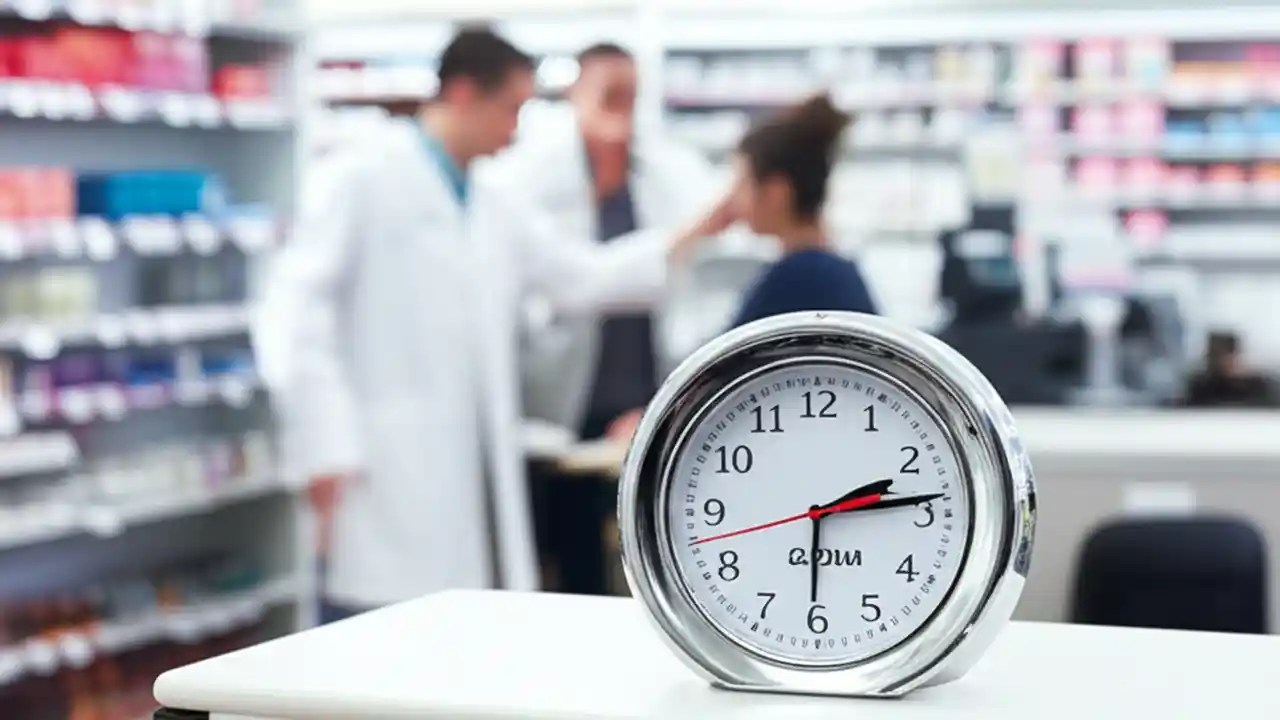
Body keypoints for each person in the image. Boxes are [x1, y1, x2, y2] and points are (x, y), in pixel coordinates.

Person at [254, 28, 731, 621]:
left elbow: (581, 279)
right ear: (461, 93)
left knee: (451, 635)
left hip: (465, 469)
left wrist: (697, 230)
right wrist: (324, 446)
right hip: (375, 465)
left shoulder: (493, 202)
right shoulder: (362, 177)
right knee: (371, 641)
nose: (517, 128)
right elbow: (293, 312)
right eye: (511, 108)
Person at [497, 42, 719, 442]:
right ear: (574, 95)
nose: (622, 109)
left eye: (630, 95)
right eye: (609, 94)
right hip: (561, 403)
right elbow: (582, 282)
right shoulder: (529, 179)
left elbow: (693, 267)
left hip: (646, 401)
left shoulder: (664, 174)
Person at [724, 94, 877, 328]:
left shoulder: (798, 276)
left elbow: (727, 361)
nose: (732, 199)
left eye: (741, 183)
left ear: (777, 192)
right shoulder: (828, 269)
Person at [1184, 332, 1278, 407]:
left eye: (1229, 356)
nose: (1225, 361)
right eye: (1218, 356)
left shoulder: (1258, 385)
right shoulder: (1200, 386)